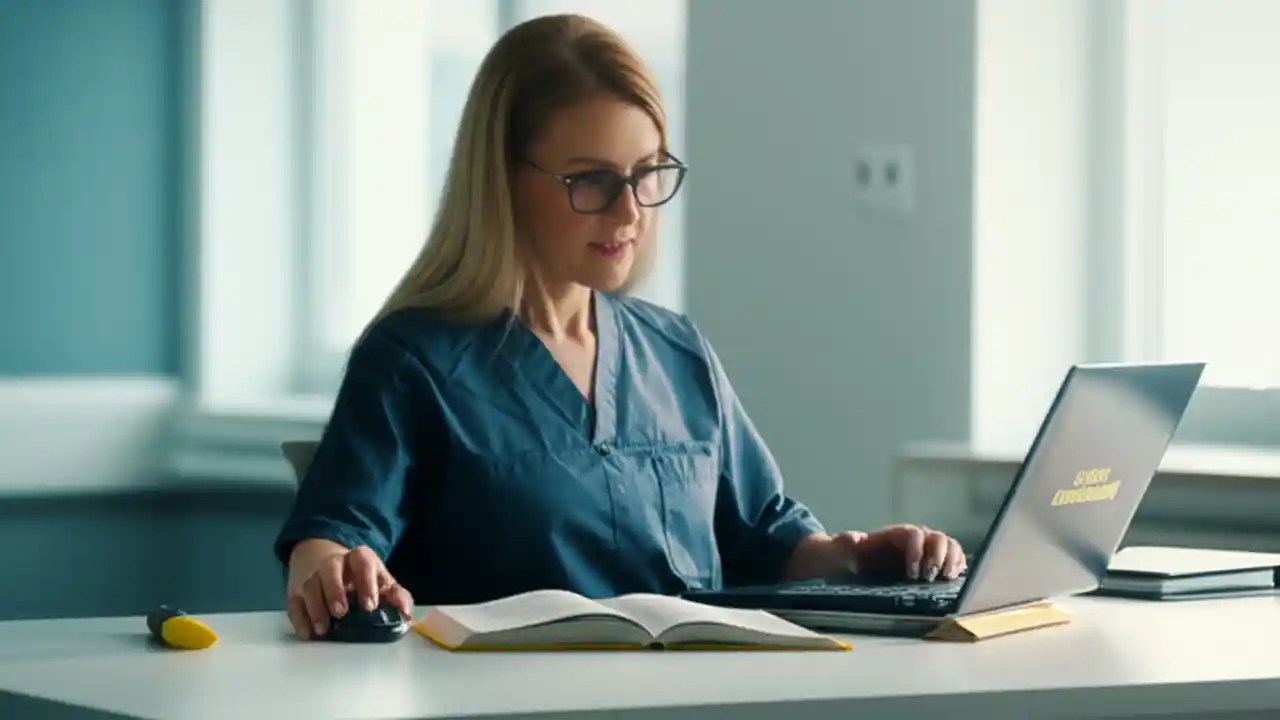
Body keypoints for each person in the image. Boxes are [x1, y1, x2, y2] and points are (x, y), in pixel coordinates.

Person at [274, 14, 965, 642]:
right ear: (503, 180)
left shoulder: (675, 352)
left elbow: (764, 535)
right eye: (592, 182)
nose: (629, 212)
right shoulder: (412, 361)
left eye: (646, 175)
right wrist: (334, 570)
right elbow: (331, 539)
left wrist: (858, 557)